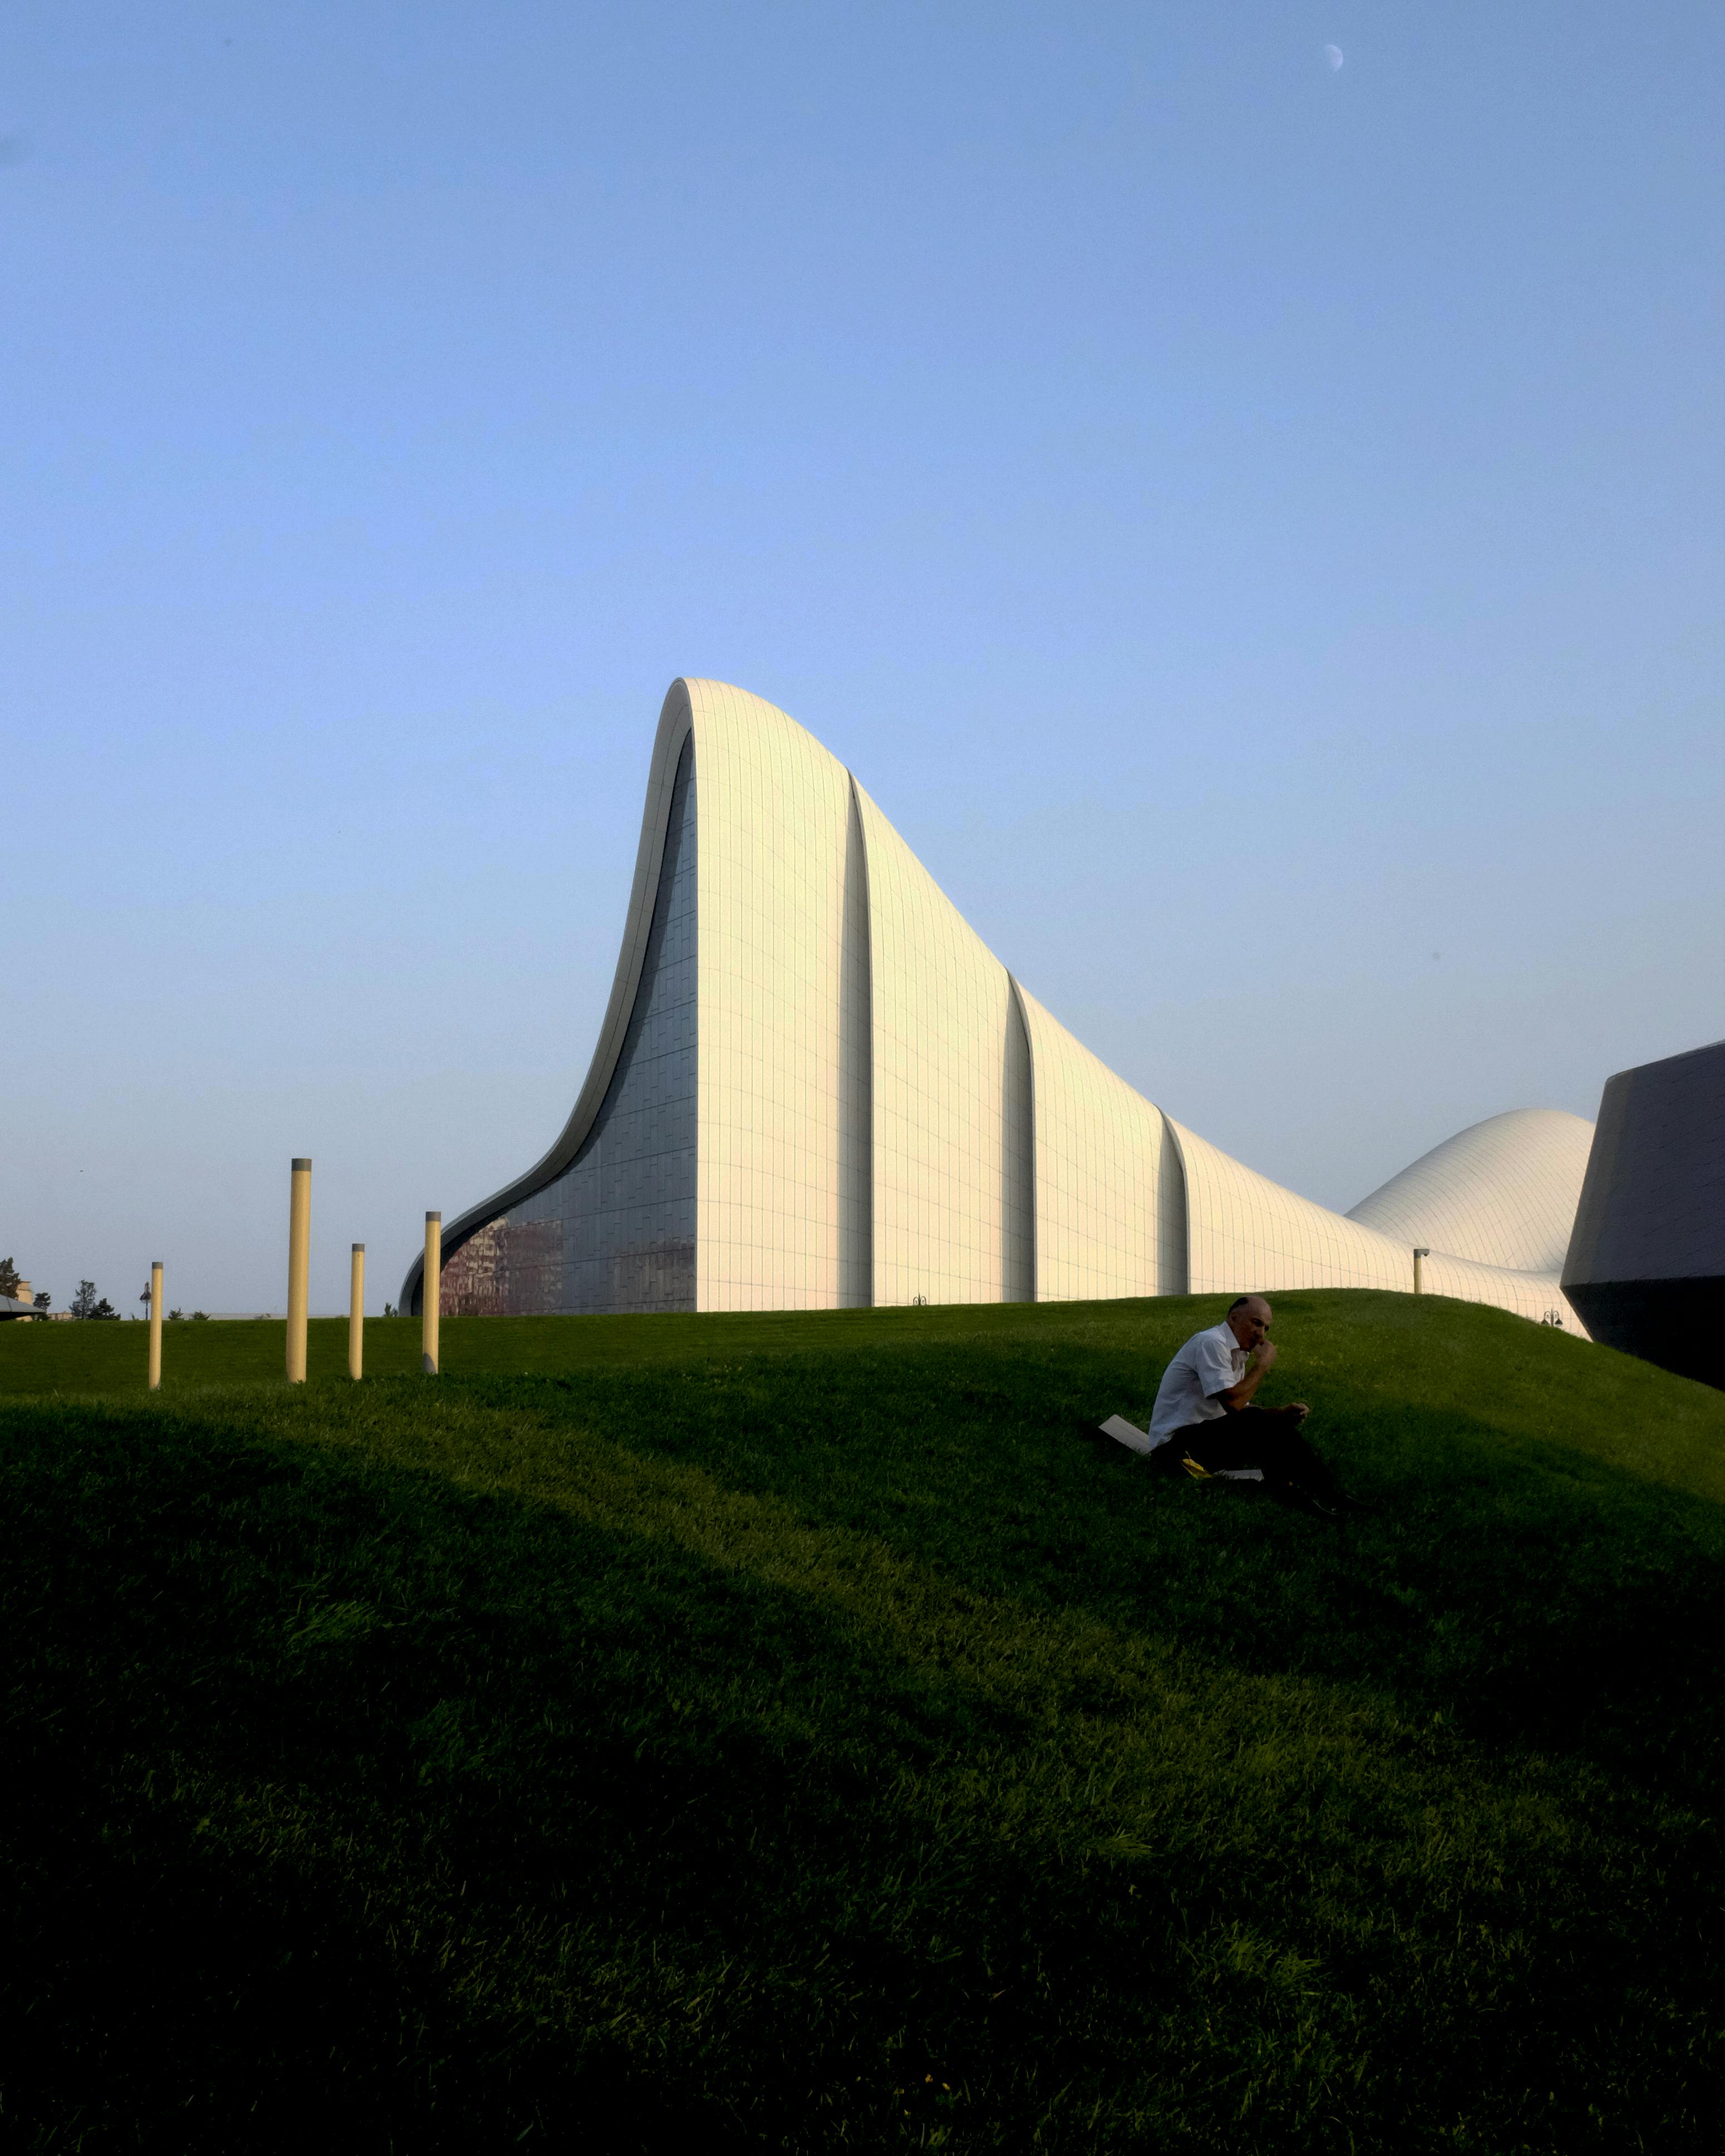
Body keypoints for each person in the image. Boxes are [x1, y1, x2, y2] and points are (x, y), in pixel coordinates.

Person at [1146, 1295, 1359, 1518]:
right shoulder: (1211, 1342)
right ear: (1234, 1318)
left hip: (1198, 1441)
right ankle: (1319, 1492)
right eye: (1257, 1323)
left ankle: (1312, 1491)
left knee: (1268, 1422)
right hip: (1174, 1452)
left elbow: (1242, 1409)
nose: (1262, 1334)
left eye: (1266, 1328)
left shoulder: (1237, 1354)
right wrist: (1263, 1365)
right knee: (1257, 1421)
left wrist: (1280, 1414)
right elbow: (1233, 1404)